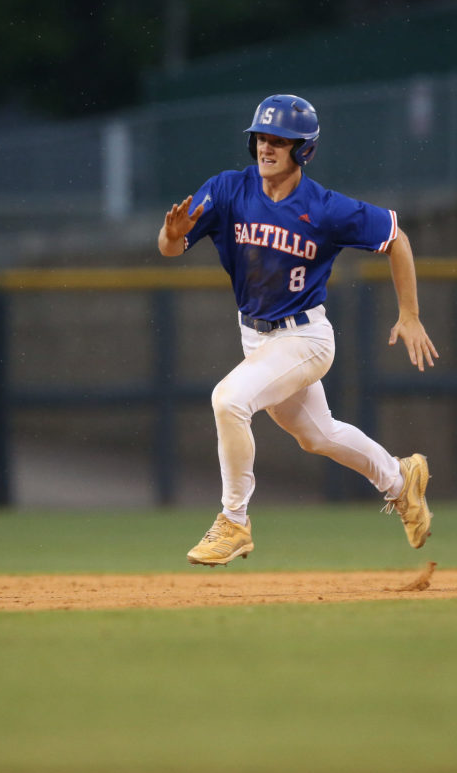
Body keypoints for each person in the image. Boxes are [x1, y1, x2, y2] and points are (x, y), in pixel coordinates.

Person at [157, 93, 439, 566]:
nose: (266, 148)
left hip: (304, 337)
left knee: (229, 401)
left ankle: (234, 521)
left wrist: (409, 314)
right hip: (257, 338)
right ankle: (399, 478)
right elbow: (169, 248)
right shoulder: (228, 189)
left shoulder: (324, 207)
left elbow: (398, 240)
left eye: (279, 141)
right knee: (318, 435)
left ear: (303, 150)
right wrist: (171, 234)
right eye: (261, 138)